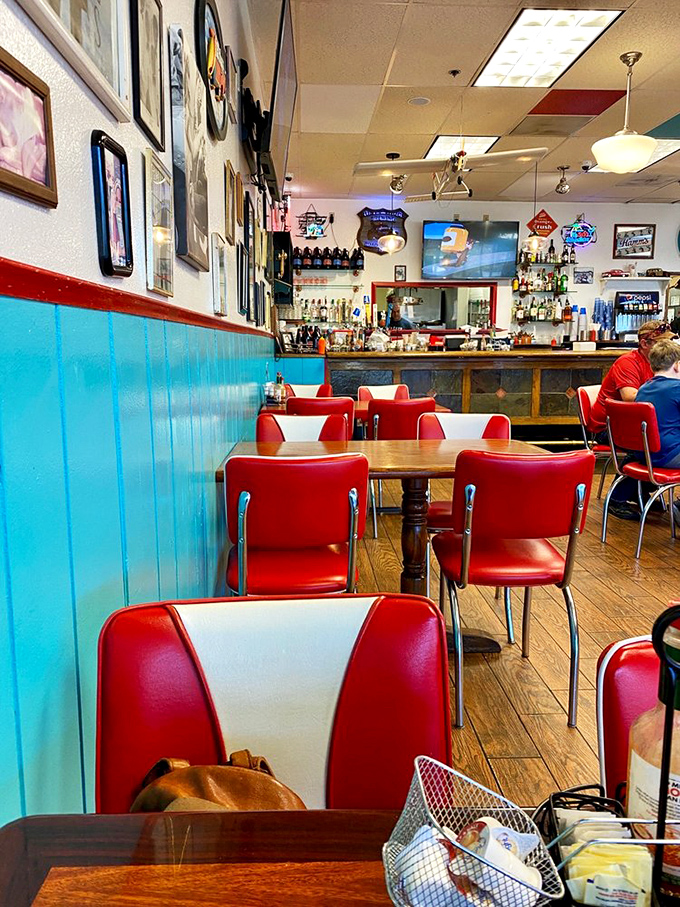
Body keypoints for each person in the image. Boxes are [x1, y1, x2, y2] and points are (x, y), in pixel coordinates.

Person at [592, 320, 678, 520]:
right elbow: (632, 399)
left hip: (640, 424)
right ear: (644, 343)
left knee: (655, 441)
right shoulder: (627, 362)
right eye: (660, 343)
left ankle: (639, 491)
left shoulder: (659, 365)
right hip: (608, 426)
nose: (666, 348)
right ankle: (618, 497)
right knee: (647, 445)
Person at [636, 339, 680, 468]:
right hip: (671, 454)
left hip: (645, 455)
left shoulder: (643, 389)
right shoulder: (677, 388)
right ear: (677, 365)